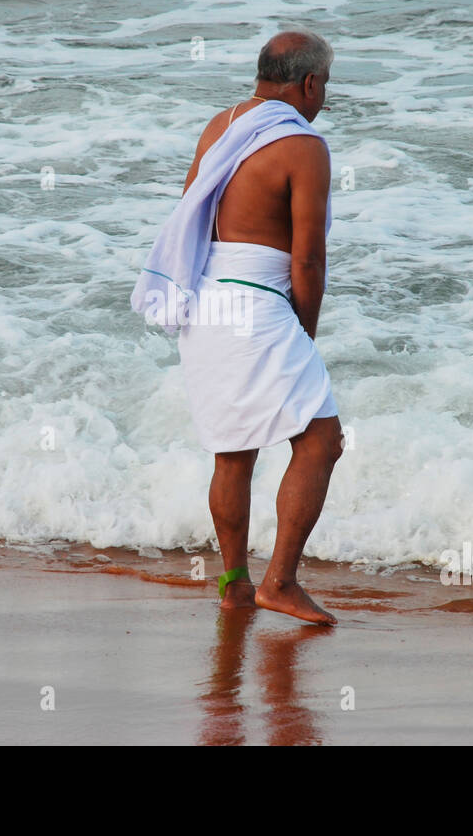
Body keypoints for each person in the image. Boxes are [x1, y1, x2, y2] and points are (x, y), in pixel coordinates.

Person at [131, 31, 343, 624]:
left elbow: (191, 215)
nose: (322, 97)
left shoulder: (220, 126)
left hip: (205, 301)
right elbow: (307, 259)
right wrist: (305, 328)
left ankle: (233, 586)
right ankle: (280, 583)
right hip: (255, 301)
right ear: (307, 83)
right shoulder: (303, 146)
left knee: (233, 454)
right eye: (324, 84)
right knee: (322, 441)